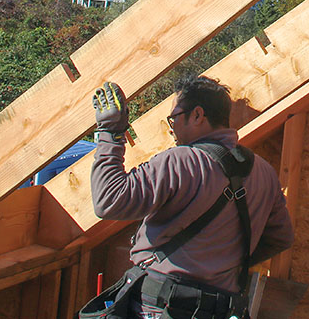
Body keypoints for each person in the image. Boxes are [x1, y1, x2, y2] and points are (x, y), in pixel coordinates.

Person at [90, 76, 293, 319]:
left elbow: (109, 201)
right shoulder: (264, 172)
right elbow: (281, 237)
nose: (172, 126)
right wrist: (224, 263)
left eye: (174, 117)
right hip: (221, 308)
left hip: (161, 306)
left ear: (197, 115)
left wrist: (110, 133)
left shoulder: (179, 161)